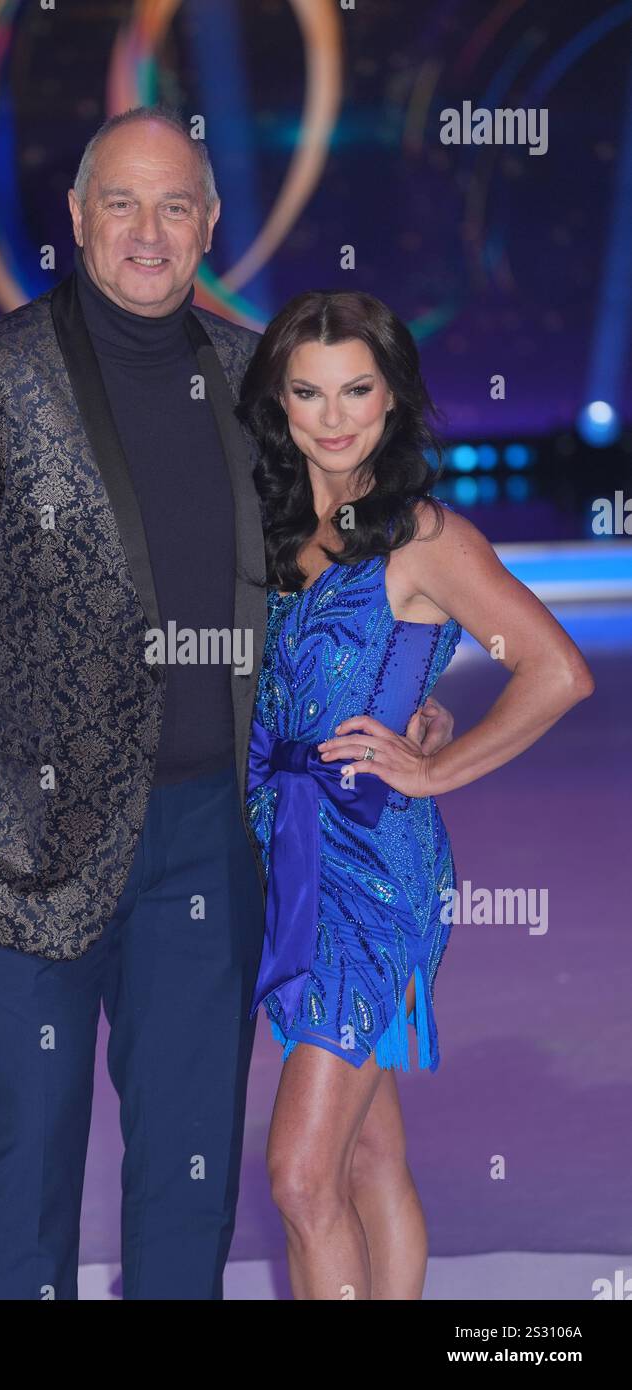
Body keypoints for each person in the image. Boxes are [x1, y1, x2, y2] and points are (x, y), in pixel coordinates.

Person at [0, 104, 453, 1301]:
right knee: (22, 1152)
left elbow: (332, 580)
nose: (147, 230)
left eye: (173, 204)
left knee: (189, 1168)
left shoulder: (254, 383)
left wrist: (407, 702)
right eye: (120, 204)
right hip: (24, 840)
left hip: (210, 838)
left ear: (209, 224)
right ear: (77, 219)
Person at [237, 289, 595, 1301]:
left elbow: (554, 669)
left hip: (369, 865)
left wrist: (435, 764)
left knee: (299, 1177)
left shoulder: (422, 533)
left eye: (356, 388)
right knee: (362, 1157)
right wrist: (414, 706)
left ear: (392, 397)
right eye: (307, 392)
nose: (334, 414)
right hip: (284, 854)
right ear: (278, 401)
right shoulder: (267, 527)